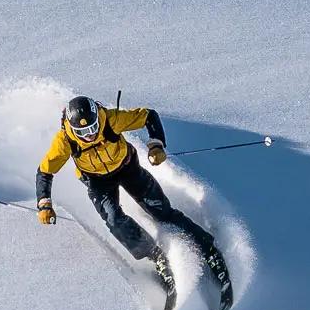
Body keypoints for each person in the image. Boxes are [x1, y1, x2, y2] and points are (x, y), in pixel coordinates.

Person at [35, 95, 217, 268]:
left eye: (93, 127)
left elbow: (148, 116)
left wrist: (156, 144)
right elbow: (45, 171)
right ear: (72, 129)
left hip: (127, 168)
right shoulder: (64, 141)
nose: (90, 135)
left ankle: (205, 244)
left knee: (160, 210)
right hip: (98, 181)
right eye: (83, 132)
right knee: (114, 220)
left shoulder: (112, 119)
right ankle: (155, 256)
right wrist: (44, 204)